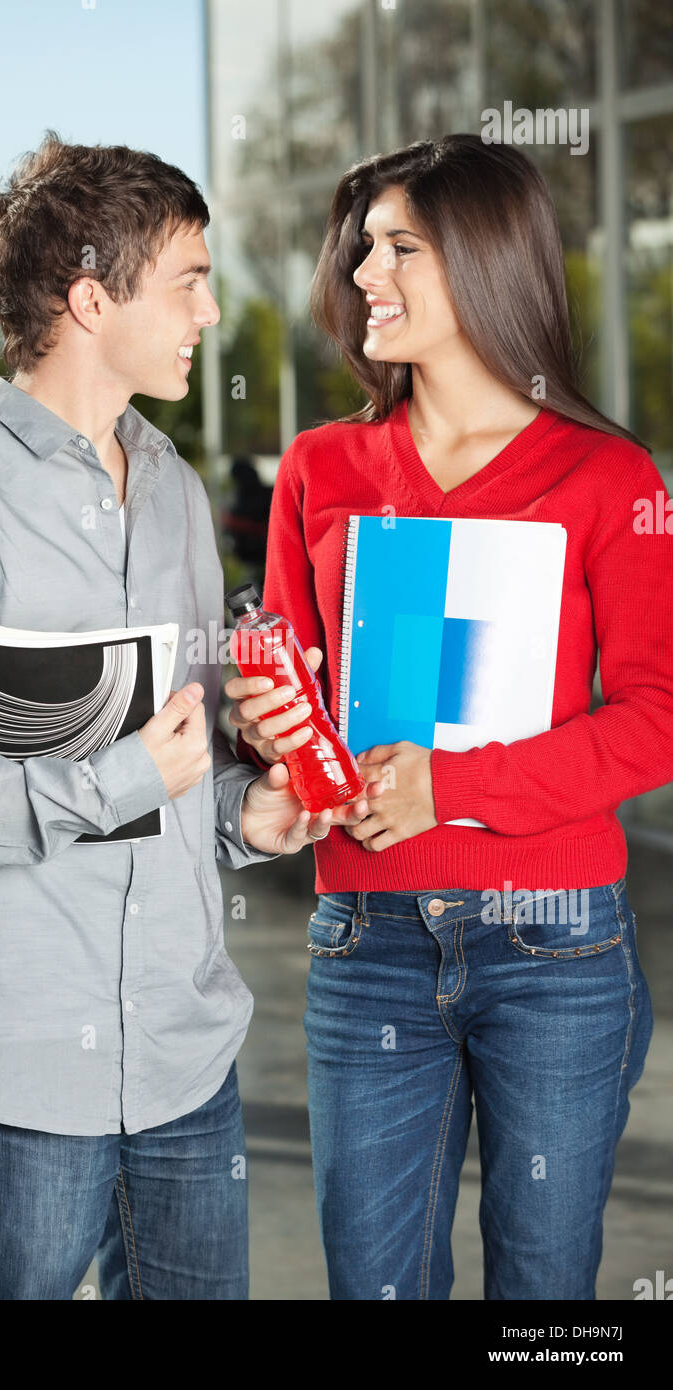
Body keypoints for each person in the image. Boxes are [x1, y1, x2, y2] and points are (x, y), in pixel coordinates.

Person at [0, 132, 369, 1301]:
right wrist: (116, 777)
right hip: (18, 1077)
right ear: (89, 298)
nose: (210, 312)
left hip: (186, 1058)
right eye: (188, 282)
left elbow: (181, 763)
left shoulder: (174, 491)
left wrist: (246, 816)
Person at [226, 133, 672, 1300]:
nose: (361, 272)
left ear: (482, 260)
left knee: (542, 1298)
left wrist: (451, 786)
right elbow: (297, 703)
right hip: (363, 938)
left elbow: (655, 717)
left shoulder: (607, 479)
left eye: (399, 248)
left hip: (553, 944)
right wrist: (267, 730)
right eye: (361, 248)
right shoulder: (319, 468)